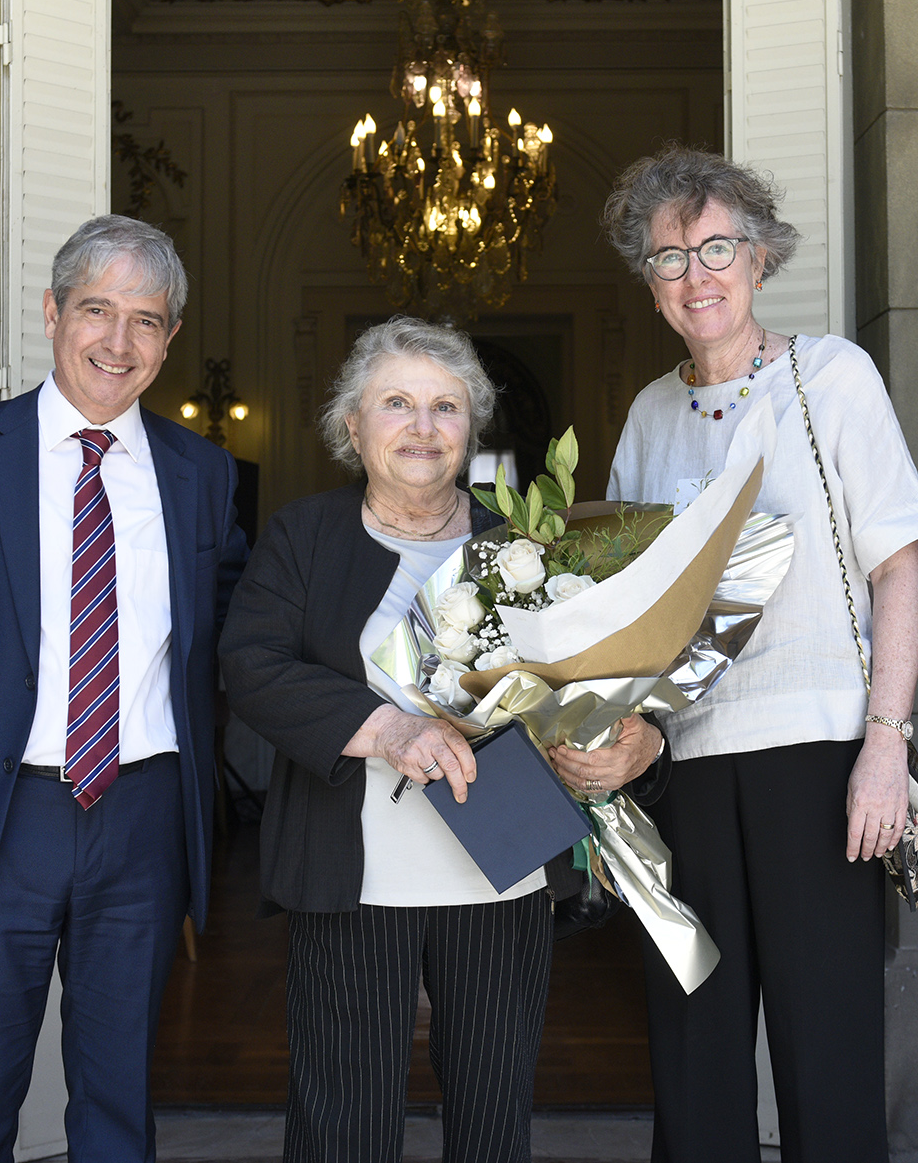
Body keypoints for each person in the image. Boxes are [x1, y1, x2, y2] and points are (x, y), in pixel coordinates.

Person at [573, 145, 918, 1163]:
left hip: (818, 763)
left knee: (826, 1055)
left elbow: (900, 567)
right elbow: (632, 613)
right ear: (649, 287)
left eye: (717, 248)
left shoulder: (832, 377)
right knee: (692, 1056)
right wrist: (621, 736)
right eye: (668, 259)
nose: (696, 275)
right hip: (683, 774)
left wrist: (884, 743)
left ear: (761, 257)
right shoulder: (652, 415)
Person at [0, 213, 246, 1161]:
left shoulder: (202, 474)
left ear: (168, 339)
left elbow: (235, 641)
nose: (118, 342)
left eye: (148, 320)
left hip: (144, 814)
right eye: (97, 311)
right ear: (50, 313)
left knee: (119, 1104)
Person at [221, 317, 621, 1163]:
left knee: (492, 1118)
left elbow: (590, 679)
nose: (423, 427)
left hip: (499, 875)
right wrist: (387, 728)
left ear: (470, 431)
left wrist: (612, 738)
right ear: (352, 425)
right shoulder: (305, 536)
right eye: (396, 403)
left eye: (446, 407)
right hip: (351, 879)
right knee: (343, 1124)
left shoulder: (523, 546)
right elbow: (250, 661)